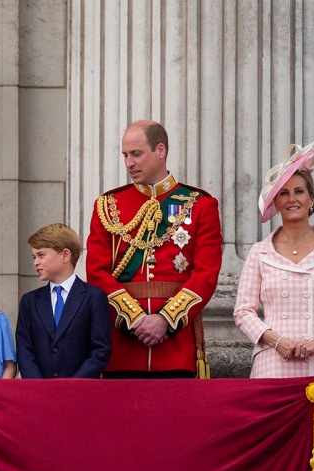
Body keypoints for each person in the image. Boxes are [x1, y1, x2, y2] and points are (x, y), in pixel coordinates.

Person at [85, 120, 223, 378]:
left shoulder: (200, 205)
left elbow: (205, 275)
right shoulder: (108, 205)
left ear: (160, 150)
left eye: (136, 154)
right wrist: (135, 319)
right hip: (123, 347)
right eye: (125, 155)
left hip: (175, 346)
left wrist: (165, 320)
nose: (129, 163)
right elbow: (97, 272)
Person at [233, 142, 314, 377]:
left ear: (311, 199)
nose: (292, 199)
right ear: (277, 204)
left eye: (299, 191)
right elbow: (243, 311)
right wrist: (276, 340)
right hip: (272, 362)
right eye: (284, 193)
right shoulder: (260, 252)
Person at [16, 223, 111, 378]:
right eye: (34, 257)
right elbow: (25, 349)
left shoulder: (93, 297)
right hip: (39, 393)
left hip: (79, 392)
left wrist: (71, 386)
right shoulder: (30, 301)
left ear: (65, 255)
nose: (35, 262)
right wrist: (38, 387)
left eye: (41, 255)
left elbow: (100, 351)